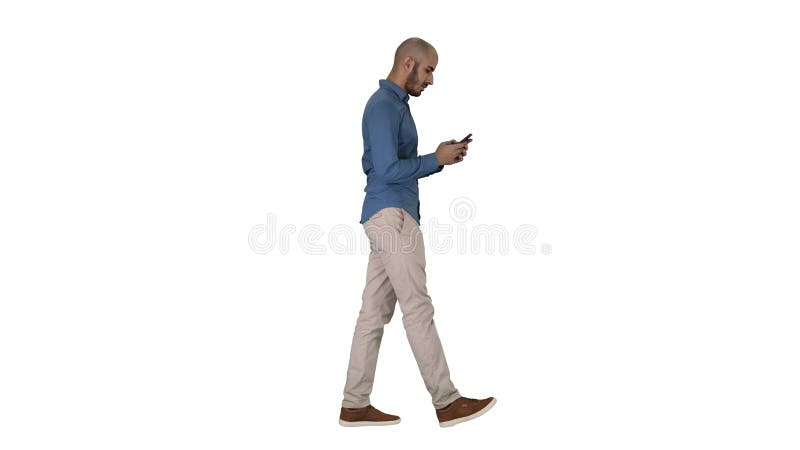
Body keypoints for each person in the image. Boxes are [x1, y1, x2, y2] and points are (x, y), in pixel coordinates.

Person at [339, 37, 496, 428]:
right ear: (408, 63)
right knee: (417, 306)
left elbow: (372, 162)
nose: (430, 80)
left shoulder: (395, 107)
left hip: (388, 213)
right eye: (428, 71)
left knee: (373, 313)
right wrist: (434, 160)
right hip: (391, 216)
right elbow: (387, 170)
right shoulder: (383, 106)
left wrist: (438, 158)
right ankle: (447, 402)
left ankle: (354, 404)